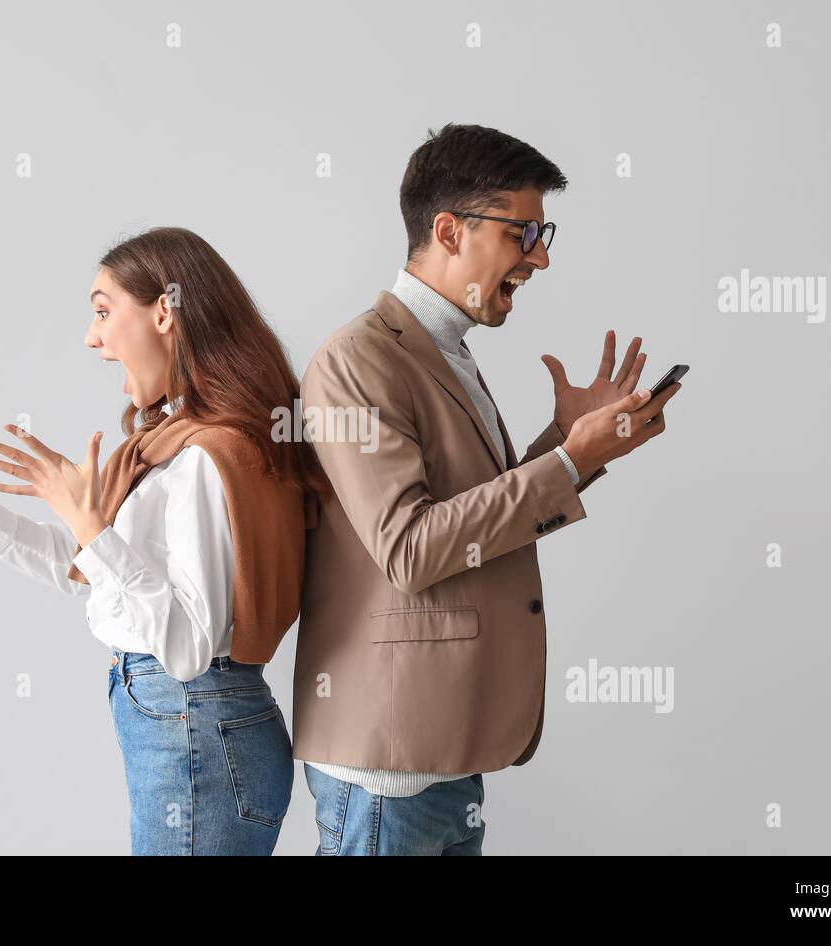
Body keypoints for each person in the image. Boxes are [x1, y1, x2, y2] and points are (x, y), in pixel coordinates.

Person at [293, 124, 682, 855]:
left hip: (446, 749)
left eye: (542, 233)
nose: (540, 256)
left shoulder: (445, 351)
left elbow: (466, 519)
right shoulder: (359, 358)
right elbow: (409, 549)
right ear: (448, 230)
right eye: (523, 233)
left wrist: (567, 445)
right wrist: (566, 462)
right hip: (387, 767)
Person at [0, 227, 326, 855]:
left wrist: (90, 524)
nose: (93, 337)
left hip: (192, 721)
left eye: (102, 311)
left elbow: (187, 644)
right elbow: (88, 571)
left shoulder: (206, 455)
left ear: (165, 311)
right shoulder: (182, 442)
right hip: (195, 728)